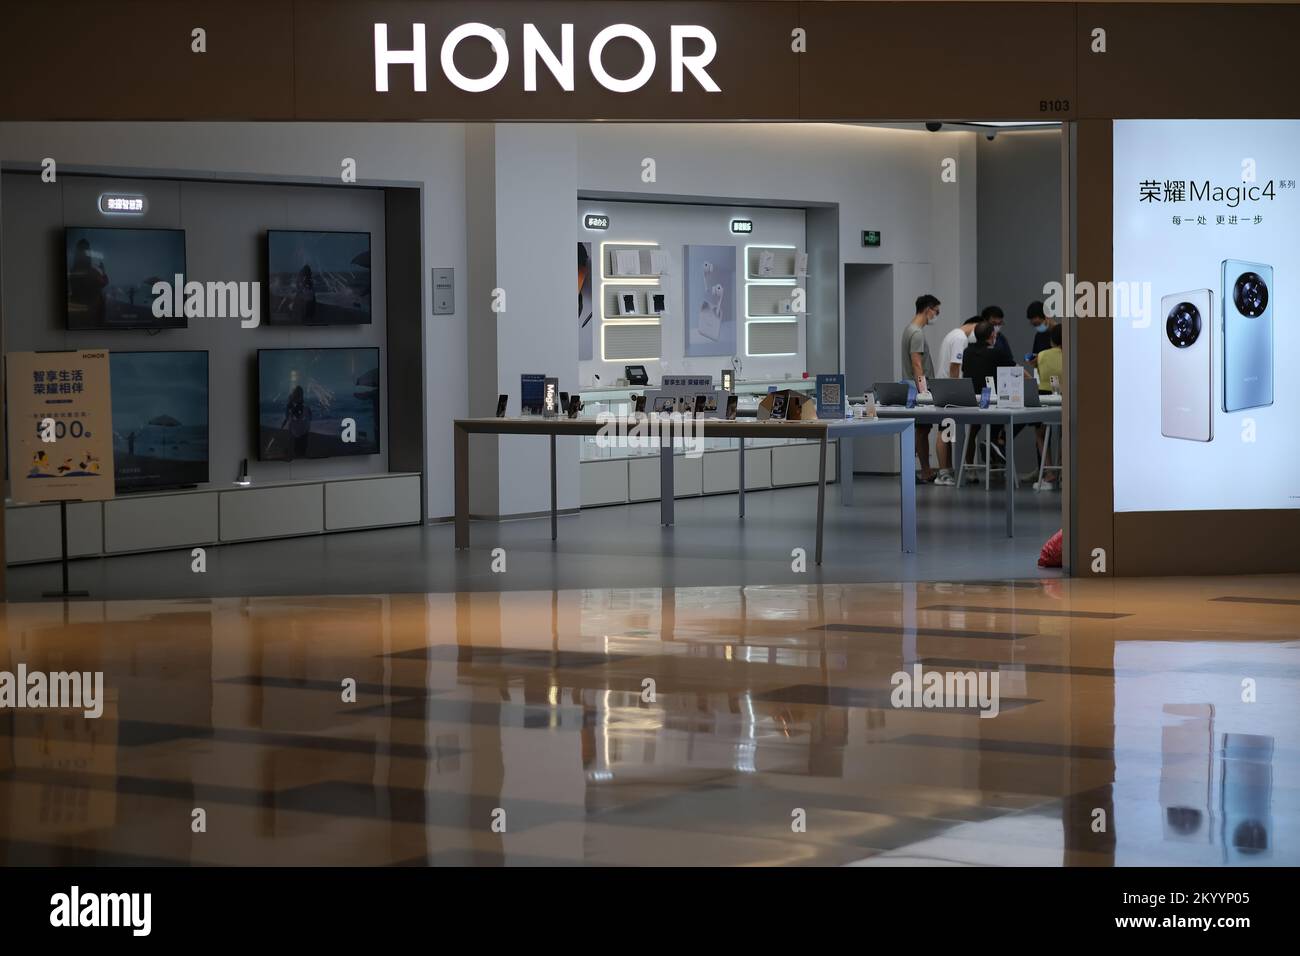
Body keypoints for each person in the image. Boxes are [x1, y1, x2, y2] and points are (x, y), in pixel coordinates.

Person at [901, 294, 940, 483]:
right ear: (928, 309)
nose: (936, 316)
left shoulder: (909, 329)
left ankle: (925, 470)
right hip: (918, 389)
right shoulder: (917, 333)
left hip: (911, 387)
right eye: (936, 312)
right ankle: (922, 470)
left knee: (921, 430)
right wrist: (923, 391)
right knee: (921, 431)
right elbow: (917, 363)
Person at [1024, 300, 1059, 368]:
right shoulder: (1039, 336)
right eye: (1034, 325)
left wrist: (1043, 358)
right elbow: (1036, 360)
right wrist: (1033, 360)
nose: (1037, 327)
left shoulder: (1061, 332)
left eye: (1038, 323)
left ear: (1047, 317)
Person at [1036, 322, 1064, 393]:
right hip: (1064, 393)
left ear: (1051, 340)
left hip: (1043, 394)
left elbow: (1040, 375)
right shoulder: (1071, 356)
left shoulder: (1041, 354)